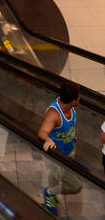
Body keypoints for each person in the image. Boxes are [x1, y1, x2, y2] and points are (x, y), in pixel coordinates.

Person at [40, 81, 83, 213]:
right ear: (74, 101)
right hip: (58, 156)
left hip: (69, 150)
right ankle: (49, 193)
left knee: (54, 175)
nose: (80, 98)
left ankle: (51, 198)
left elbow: (67, 126)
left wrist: (72, 136)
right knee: (76, 186)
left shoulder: (70, 108)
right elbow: (42, 132)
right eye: (79, 96)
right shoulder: (54, 114)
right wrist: (48, 140)